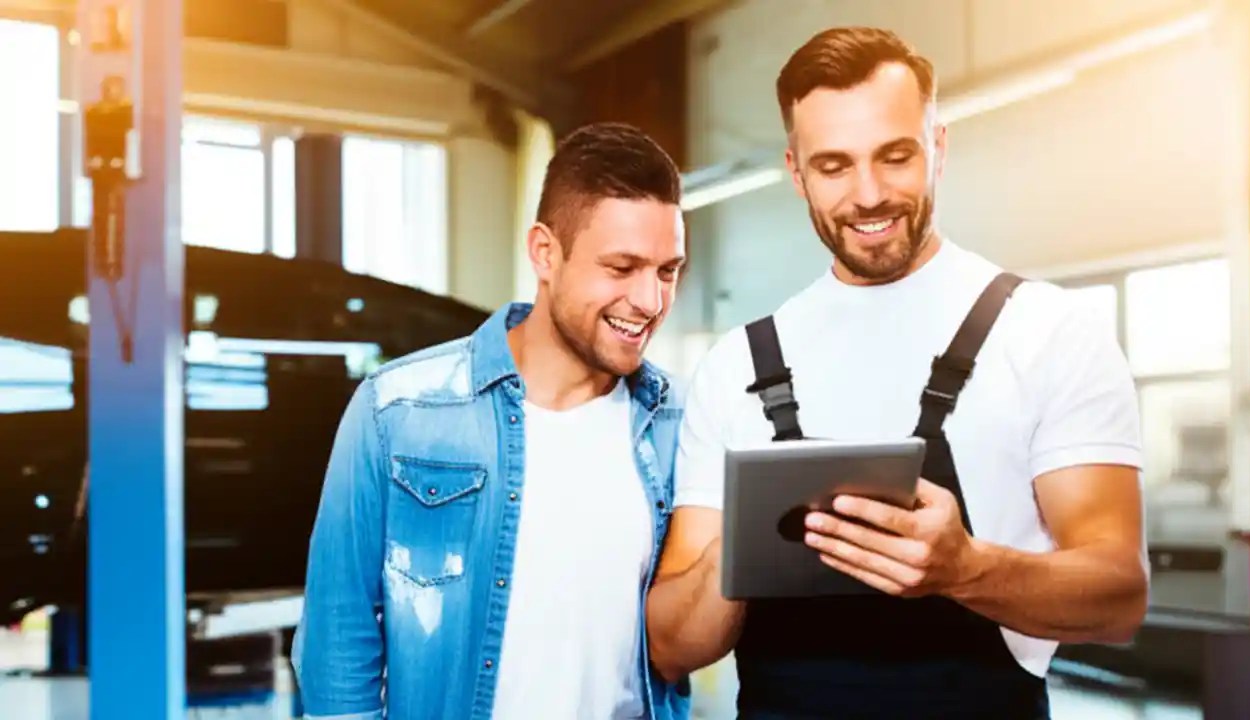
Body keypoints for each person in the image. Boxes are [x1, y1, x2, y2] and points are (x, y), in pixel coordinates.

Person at [646, 26, 1149, 719]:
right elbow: (672, 647)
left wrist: (966, 568)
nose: (870, 194)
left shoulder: (1048, 333)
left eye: (895, 156)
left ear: (938, 148)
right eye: (833, 166)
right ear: (795, 172)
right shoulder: (737, 364)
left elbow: (1119, 597)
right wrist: (748, 547)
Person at [292, 121, 692, 720]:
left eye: (667, 271)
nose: (650, 302)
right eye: (621, 268)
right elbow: (337, 642)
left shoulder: (679, 425)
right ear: (545, 252)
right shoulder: (398, 412)